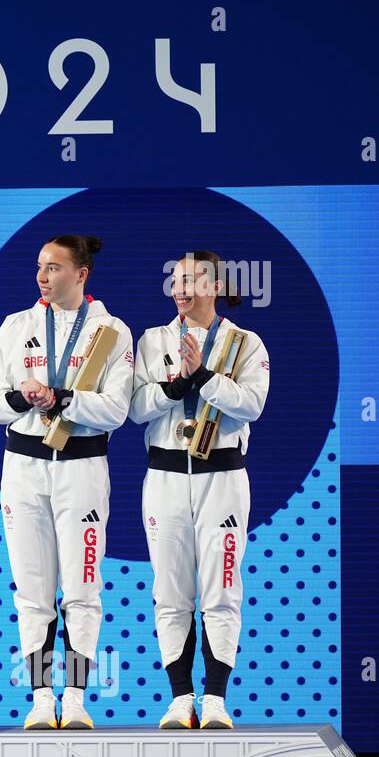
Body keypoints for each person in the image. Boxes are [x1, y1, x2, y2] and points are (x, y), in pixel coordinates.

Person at [0, 235, 133, 729]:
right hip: (23, 468)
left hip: (82, 469)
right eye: (40, 267)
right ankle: (42, 697)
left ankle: (77, 698)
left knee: (82, 588)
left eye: (54, 268)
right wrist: (24, 400)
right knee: (32, 590)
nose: (43, 277)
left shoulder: (111, 331)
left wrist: (62, 398)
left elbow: (116, 410)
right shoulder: (15, 326)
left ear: (81, 274)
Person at [129, 251, 270, 729]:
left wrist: (205, 377)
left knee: (222, 587)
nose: (182, 289)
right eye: (176, 280)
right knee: (170, 590)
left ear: (214, 286)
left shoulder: (245, 343)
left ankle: (215, 699)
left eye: (192, 280)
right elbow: (135, 408)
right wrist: (173, 386)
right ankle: (179, 697)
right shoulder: (152, 341)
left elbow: (251, 405)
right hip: (165, 477)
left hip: (223, 479)